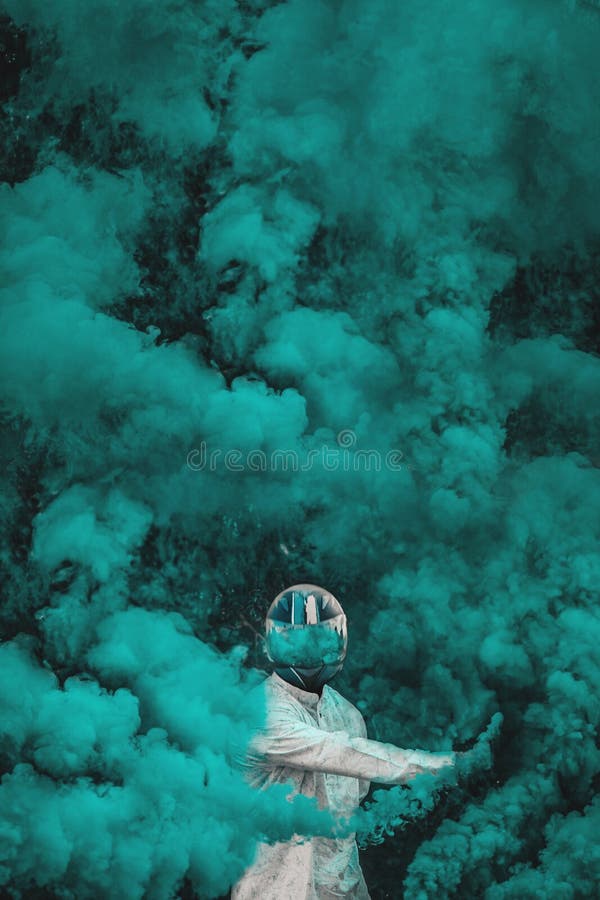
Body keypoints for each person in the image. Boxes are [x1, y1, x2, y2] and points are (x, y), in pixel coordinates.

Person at [231, 584, 459, 900]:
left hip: (342, 886)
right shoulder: (260, 712)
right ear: (274, 644)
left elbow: (349, 814)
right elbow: (339, 752)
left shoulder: (347, 715)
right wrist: (443, 766)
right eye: (297, 641)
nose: (309, 654)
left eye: (320, 638)